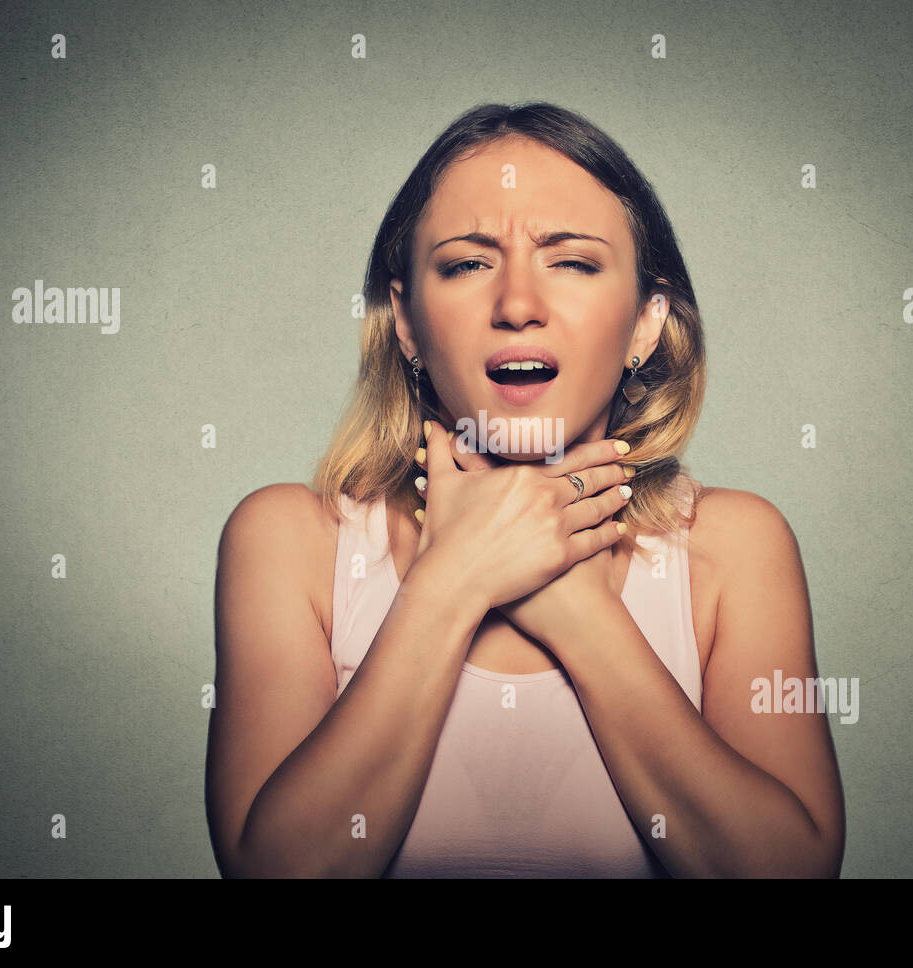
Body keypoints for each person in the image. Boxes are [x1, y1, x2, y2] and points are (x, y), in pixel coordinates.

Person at [204, 102, 845, 877]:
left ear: (647, 320)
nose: (516, 305)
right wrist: (455, 578)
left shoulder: (733, 547)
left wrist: (571, 603)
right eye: (467, 264)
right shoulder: (288, 541)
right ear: (405, 320)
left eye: (572, 261)